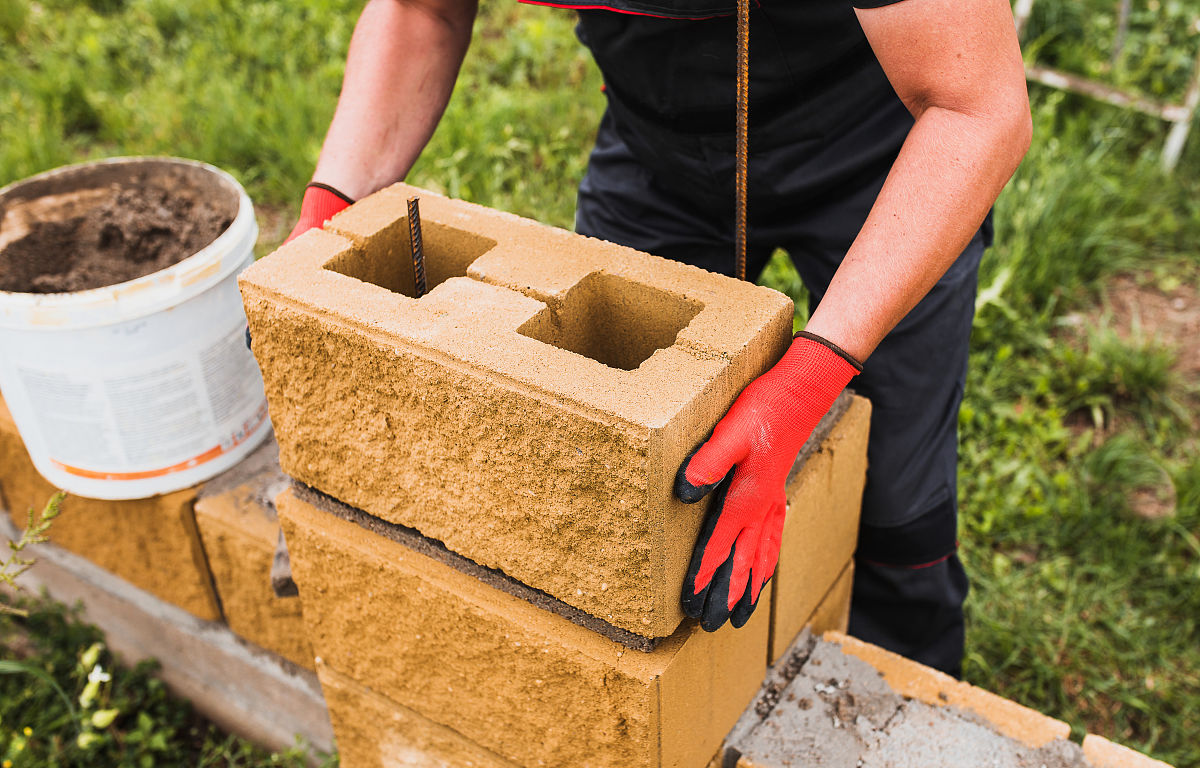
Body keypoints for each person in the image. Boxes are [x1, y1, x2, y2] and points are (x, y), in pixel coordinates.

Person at [285, 0, 1031, 678]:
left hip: (888, 151)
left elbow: (976, 109)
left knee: (895, 491)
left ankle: (896, 708)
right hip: (661, 150)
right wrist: (327, 214)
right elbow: (424, 12)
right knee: (600, 474)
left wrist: (805, 384)